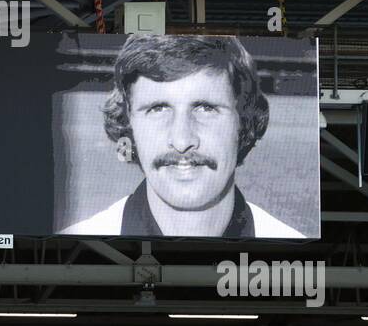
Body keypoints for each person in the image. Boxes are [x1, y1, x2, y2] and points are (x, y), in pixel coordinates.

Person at [59, 34, 305, 239]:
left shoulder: (295, 250)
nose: (182, 141)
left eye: (206, 108)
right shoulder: (75, 243)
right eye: (158, 108)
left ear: (244, 123)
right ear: (128, 125)